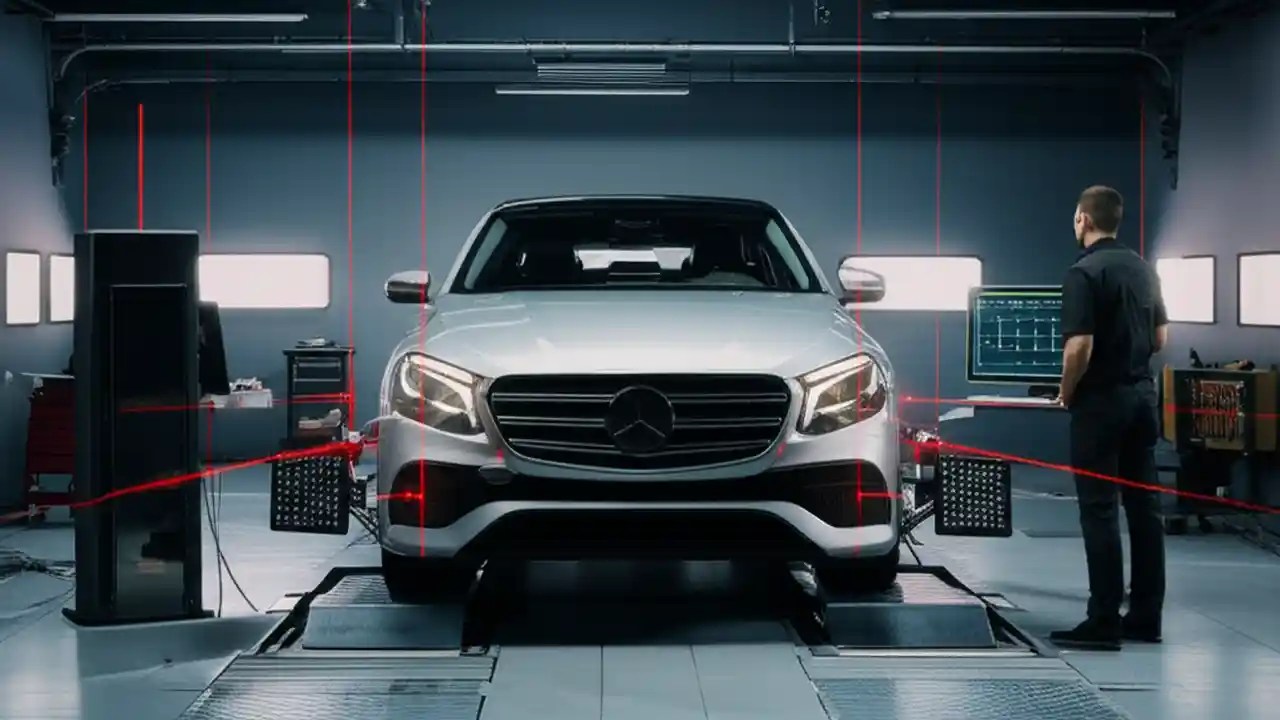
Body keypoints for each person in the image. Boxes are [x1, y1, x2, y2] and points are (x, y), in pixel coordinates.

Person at [1050, 185, 1168, 650]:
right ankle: (1144, 617)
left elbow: (1080, 346)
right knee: (1145, 510)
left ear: (1083, 218)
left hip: (1101, 405)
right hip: (1143, 400)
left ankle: (1102, 621)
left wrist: (1065, 392)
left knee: (1099, 510)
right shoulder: (1143, 269)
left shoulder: (1083, 273)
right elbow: (1160, 338)